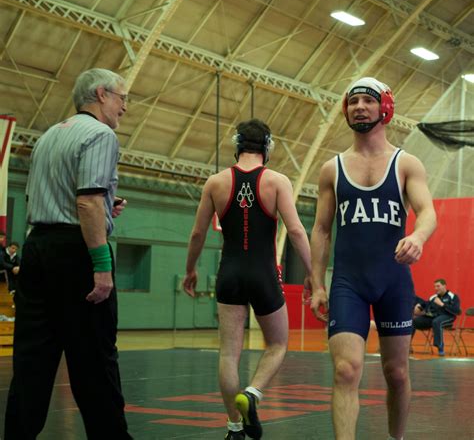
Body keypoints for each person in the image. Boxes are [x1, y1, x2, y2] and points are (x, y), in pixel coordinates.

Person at [4, 68, 133, 439]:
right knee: (95, 361)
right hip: (75, 253)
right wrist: (102, 265)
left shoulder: (49, 136)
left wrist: (108, 205)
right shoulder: (100, 135)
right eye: (122, 97)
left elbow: (50, 197)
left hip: (37, 249)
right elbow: (88, 202)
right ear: (101, 94)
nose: (125, 107)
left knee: (32, 363)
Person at [309, 77, 437, 440]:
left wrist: (417, 235)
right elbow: (320, 229)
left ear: (385, 108)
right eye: (352, 102)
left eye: (367, 100)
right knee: (346, 371)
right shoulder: (332, 168)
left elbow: (427, 210)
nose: (359, 107)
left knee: (396, 373)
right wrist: (318, 284)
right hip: (348, 283)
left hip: (393, 283)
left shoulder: (405, 163)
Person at [183, 118, 312, 440]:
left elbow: (198, 232)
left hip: (230, 273)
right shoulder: (277, 181)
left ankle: (234, 427)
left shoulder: (215, 182)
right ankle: (252, 394)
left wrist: (191, 269)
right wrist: (314, 274)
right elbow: (295, 230)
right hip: (263, 273)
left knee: (228, 354)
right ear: (267, 148)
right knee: (278, 344)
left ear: (237, 145)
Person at [412, 279, 461, 356]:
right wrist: (420, 307)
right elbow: (425, 304)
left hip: (448, 317)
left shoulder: (453, 296)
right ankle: (407, 345)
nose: (436, 288)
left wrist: (442, 304)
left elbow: (457, 311)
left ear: (444, 286)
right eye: (435, 286)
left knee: (437, 321)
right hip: (433, 317)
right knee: (412, 322)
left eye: (438, 286)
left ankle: (440, 348)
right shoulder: (433, 297)